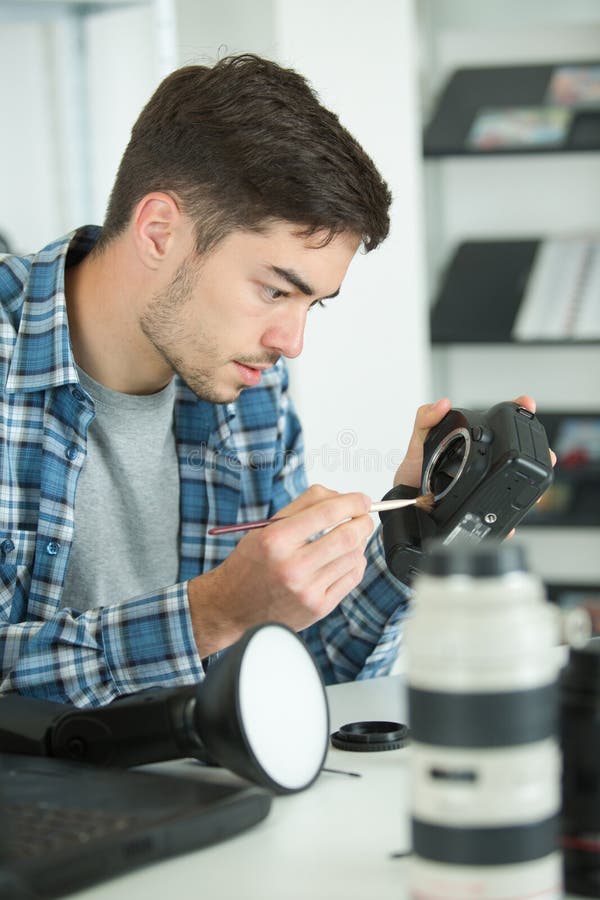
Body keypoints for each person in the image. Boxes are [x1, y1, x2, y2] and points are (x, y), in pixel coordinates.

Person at [0, 54, 536, 707]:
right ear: (159, 231)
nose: (293, 342)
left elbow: (302, 672)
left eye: (313, 304)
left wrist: (412, 547)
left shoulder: (245, 387)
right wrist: (208, 615)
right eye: (275, 290)